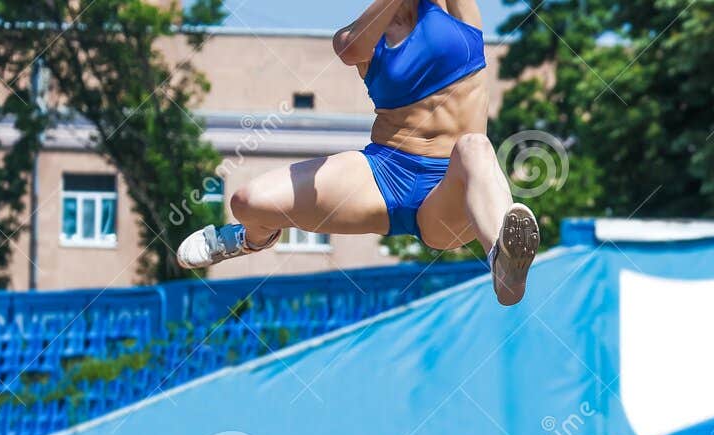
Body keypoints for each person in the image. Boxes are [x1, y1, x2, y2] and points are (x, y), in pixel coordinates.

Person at [176, 0, 538, 306]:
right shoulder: (366, 33)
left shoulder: (453, 12)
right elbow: (350, 48)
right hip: (385, 172)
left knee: (474, 146)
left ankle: (503, 265)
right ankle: (250, 238)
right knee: (246, 200)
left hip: (451, 191)